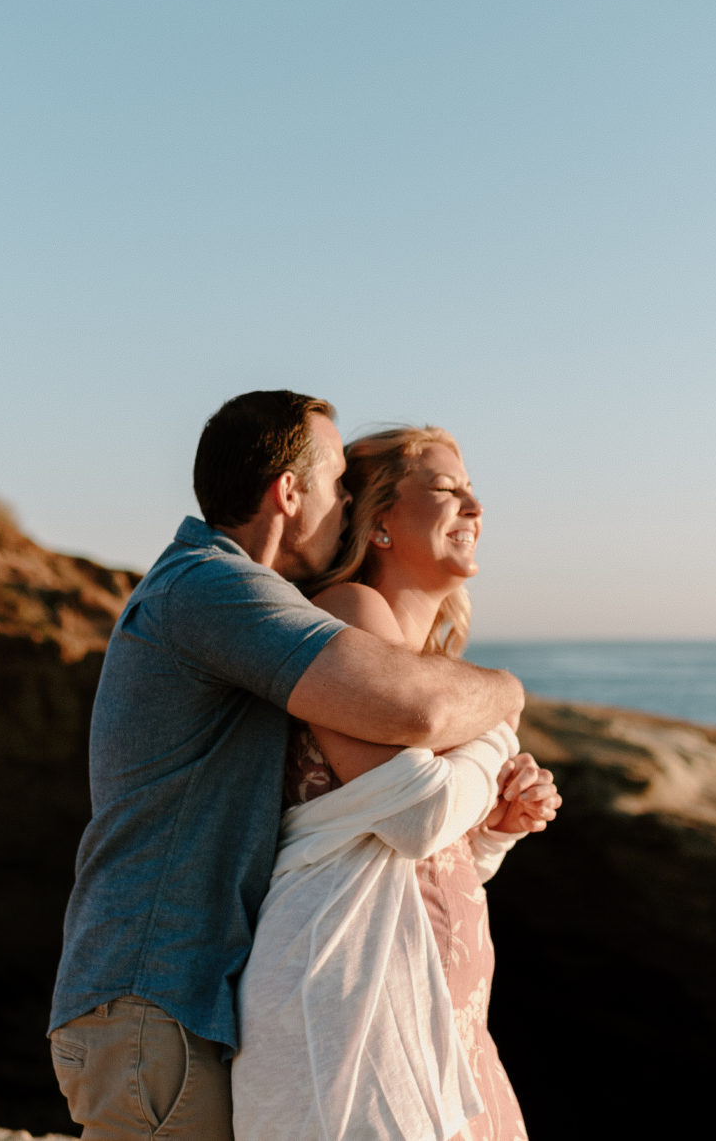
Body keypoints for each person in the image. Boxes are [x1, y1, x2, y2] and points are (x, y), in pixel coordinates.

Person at [49, 392, 527, 1140]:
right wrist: (507, 704)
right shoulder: (212, 589)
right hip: (155, 1001)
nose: (347, 501)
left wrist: (493, 826)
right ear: (288, 492)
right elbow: (416, 714)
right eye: (338, 483)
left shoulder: (230, 594)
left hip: (175, 1001)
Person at [232, 426, 559, 1141]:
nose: (474, 506)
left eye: (471, 489)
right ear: (379, 519)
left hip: (441, 1026)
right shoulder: (348, 613)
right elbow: (419, 816)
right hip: (353, 1014)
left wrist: (494, 831)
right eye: (445, 488)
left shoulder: (430, 664)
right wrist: (501, 721)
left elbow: (426, 861)